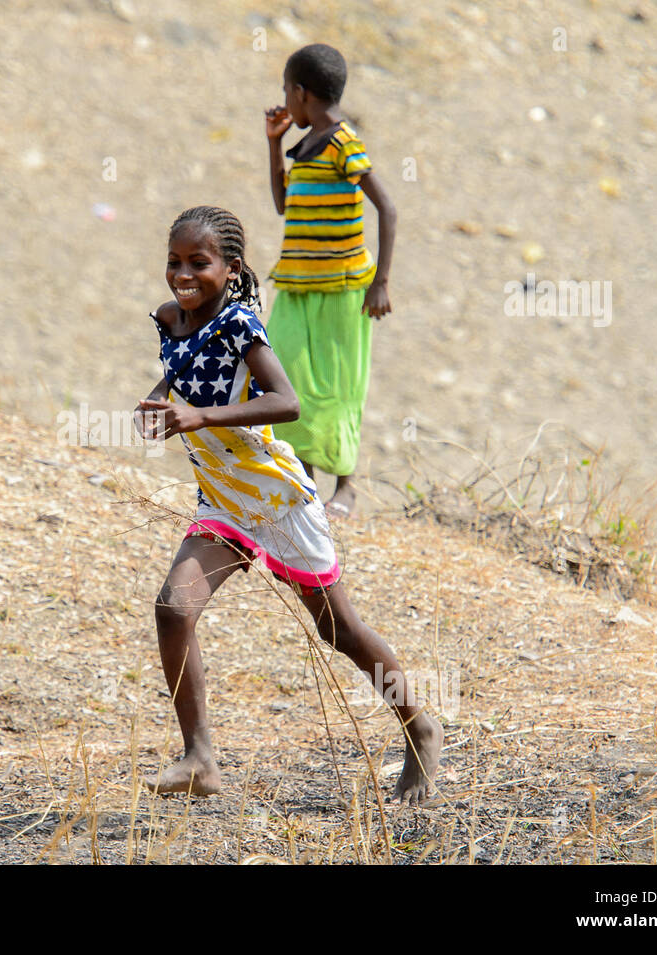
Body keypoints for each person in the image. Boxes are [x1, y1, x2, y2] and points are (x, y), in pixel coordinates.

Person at [136, 206, 440, 803]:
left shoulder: (240, 325)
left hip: (277, 497)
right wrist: (156, 402)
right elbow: (178, 374)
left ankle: (419, 728)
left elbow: (287, 401)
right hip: (223, 500)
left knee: (339, 629)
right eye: (174, 261)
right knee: (174, 609)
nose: (182, 273)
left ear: (230, 268)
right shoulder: (172, 320)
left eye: (199, 262)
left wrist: (202, 415)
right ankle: (200, 757)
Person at [264, 43, 397, 521]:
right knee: (286, 372)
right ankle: (304, 481)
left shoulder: (345, 143)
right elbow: (284, 206)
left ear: (301, 92)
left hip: (343, 286)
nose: (284, 100)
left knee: (340, 382)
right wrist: (274, 144)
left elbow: (388, 208)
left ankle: (346, 486)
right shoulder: (304, 147)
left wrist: (380, 282)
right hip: (297, 283)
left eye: (286, 91)